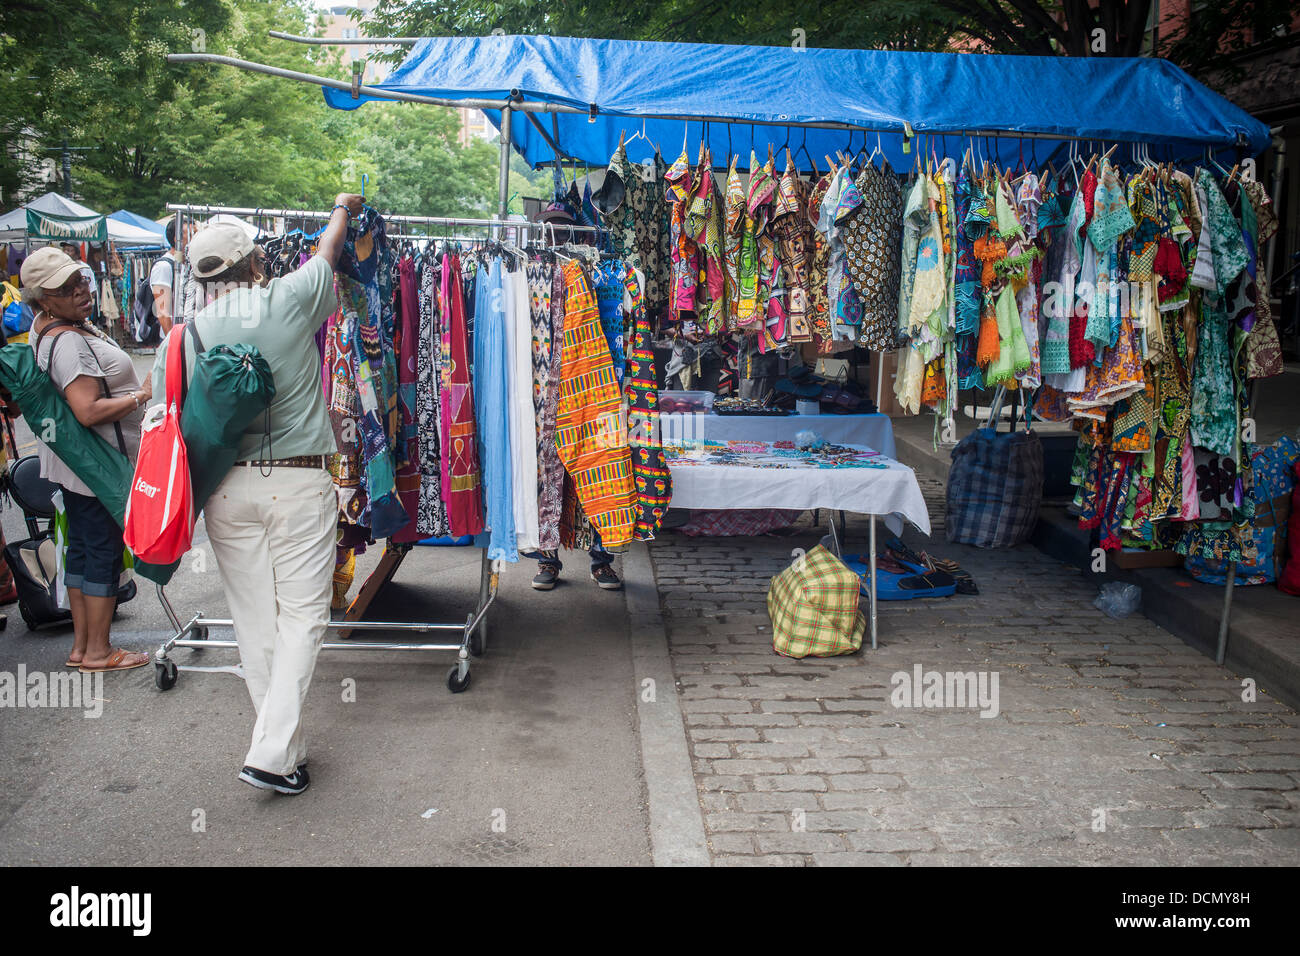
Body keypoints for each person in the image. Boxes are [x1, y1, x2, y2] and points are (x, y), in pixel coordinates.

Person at [151, 194, 364, 796]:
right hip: (297, 482)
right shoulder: (288, 299)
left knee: (254, 621)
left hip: (223, 490)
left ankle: (283, 752)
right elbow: (329, 250)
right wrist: (342, 208)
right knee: (302, 616)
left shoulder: (183, 337)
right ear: (254, 261)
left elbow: (165, 413)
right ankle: (271, 754)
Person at [20, 247, 151, 673]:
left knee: (80, 550)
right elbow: (88, 410)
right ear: (42, 298)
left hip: (73, 466)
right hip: (97, 466)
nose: (81, 290)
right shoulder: (71, 342)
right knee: (102, 553)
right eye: (66, 287)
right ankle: (99, 651)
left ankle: (82, 647)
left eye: (81, 280)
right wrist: (141, 396)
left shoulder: (47, 328)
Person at [150, 217, 197, 336]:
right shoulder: (163, 267)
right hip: (173, 337)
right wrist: (173, 342)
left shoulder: (186, 265)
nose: (197, 237)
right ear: (178, 239)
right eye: (193, 233)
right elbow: (162, 312)